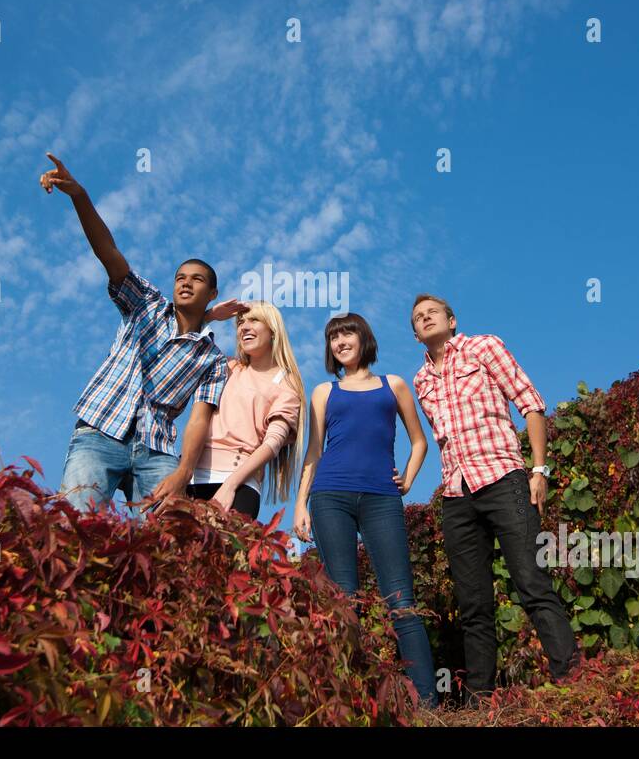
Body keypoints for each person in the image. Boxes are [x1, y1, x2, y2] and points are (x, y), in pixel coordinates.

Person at [39, 153, 244, 514]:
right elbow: (108, 251)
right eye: (181, 277)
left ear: (211, 292)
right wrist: (80, 196)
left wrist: (183, 472)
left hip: (156, 449)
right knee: (72, 528)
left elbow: (199, 418)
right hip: (100, 430)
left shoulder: (211, 358)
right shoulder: (145, 304)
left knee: (166, 548)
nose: (185, 283)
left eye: (196, 280)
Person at [410, 293, 580, 700]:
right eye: (417, 318)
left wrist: (538, 470)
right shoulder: (421, 382)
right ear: (416, 334)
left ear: (451, 320)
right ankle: (480, 700)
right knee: (473, 603)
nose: (425, 318)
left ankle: (571, 680)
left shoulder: (485, 347)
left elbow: (530, 403)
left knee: (531, 581)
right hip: (457, 494)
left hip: (504, 478)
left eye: (432, 312)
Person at [294, 312, 438, 708]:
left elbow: (419, 441)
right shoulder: (323, 392)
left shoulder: (394, 385)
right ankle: (354, 703)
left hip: (381, 498)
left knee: (401, 601)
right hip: (330, 497)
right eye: (333, 337)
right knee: (345, 603)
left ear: (363, 339)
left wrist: (407, 478)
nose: (340, 342)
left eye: (347, 334)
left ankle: (428, 706)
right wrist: (299, 505)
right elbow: (313, 451)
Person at [180, 300, 304, 521]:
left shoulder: (286, 383)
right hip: (190, 478)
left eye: (254, 320)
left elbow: (273, 442)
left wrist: (231, 485)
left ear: (273, 330)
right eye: (240, 322)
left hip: (239, 483)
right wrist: (208, 316)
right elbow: (180, 346)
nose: (244, 327)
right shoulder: (225, 366)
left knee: (225, 554)